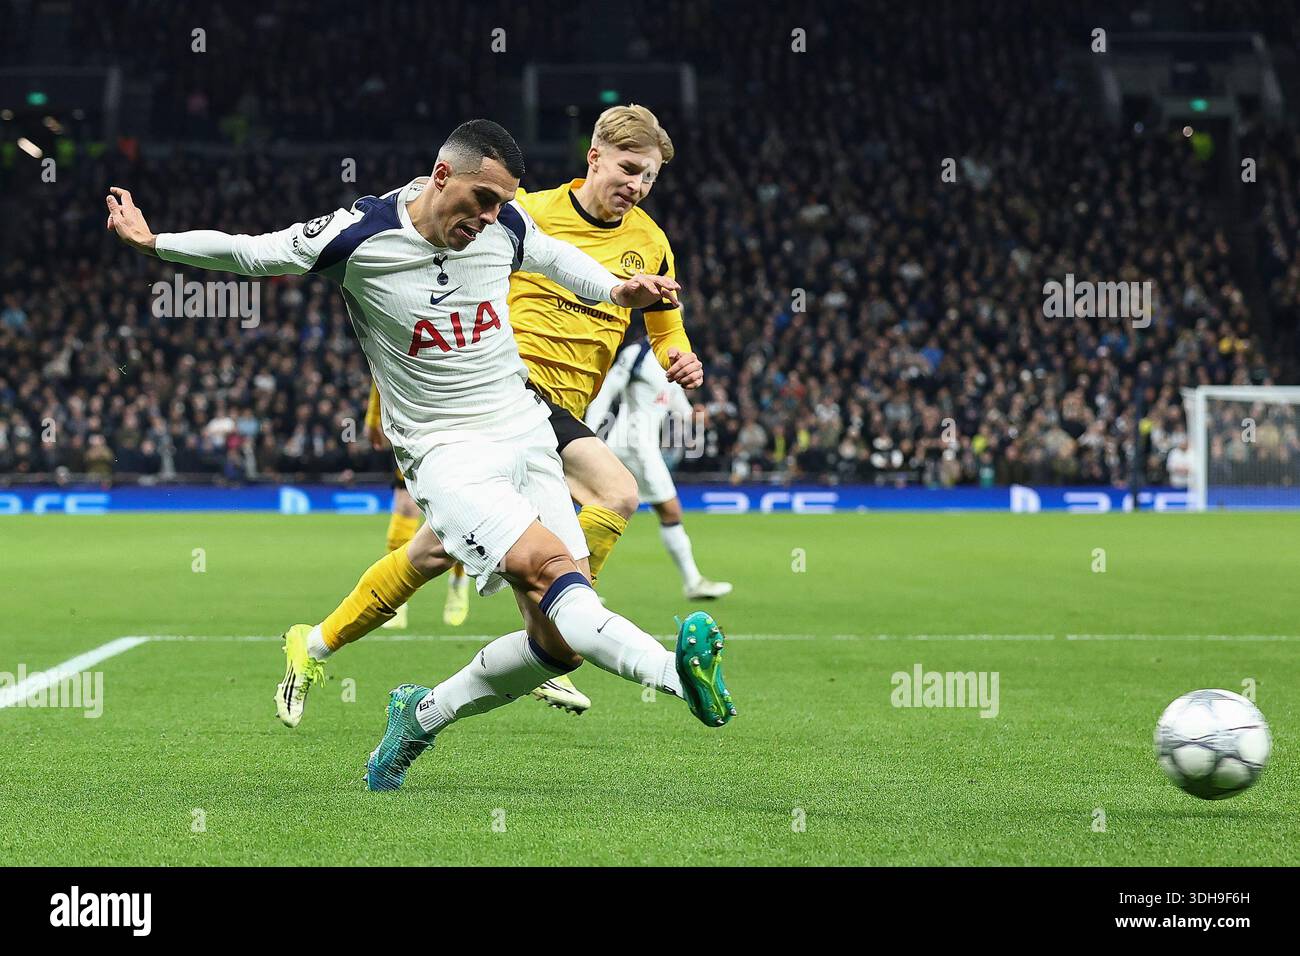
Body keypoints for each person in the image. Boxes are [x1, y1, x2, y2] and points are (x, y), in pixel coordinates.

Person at [106, 119, 736, 791]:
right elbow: (253, 253)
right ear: (442, 178)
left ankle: (418, 717)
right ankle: (677, 676)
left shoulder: (507, 226)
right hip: (446, 451)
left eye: (502, 205)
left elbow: (556, 258)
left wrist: (617, 291)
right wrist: (155, 243)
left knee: (556, 647)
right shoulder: (361, 236)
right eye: (482, 201)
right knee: (547, 565)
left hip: (525, 427)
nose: (492, 218)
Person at [333, 104, 703, 716]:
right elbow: (439, 265)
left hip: (569, 405)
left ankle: (318, 646)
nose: (636, 187)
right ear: (594, 157)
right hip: (510, 389)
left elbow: (666, 327)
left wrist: (679, 357)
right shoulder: (523, 211)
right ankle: (562, 621)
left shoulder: (651, 242)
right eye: (630, 169)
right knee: (615, 492)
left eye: (650, 179)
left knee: (432, 550)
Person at [585, 338, 732, 598]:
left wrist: (692, 416)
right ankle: (692, 582)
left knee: (605, 508)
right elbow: (608, 389)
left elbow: (675, 401)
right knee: (670, 510)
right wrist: (590, 432)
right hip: (634, 444)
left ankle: (578, 584)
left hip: (640, 445)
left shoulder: (673, 357)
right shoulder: (637, 353)